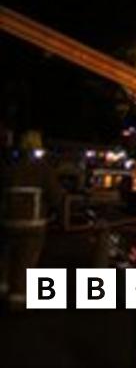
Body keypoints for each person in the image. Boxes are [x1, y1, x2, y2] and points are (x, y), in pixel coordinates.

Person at [1, 130, 64, 309]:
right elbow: (56, 196)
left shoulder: (9, 168)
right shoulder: (42, 169)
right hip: (32, 226)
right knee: (25, 262)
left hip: (7, 223)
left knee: (5, 259)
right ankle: (18, 300)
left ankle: (3, 289)